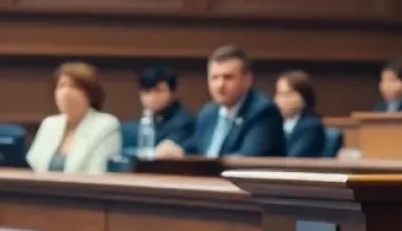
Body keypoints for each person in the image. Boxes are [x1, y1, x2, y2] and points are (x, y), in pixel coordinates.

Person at [156, 46, 286, 159]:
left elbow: (247, 158)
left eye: (227, 77)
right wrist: (177, 150)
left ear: (248, 79)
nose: (220, 85)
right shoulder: (208, 113)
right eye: (214, 78)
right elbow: (198, 147)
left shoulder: (263, 112)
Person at [28, 62, 121, 173]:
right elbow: (33, 167)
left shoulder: (106, 126)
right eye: (61, 86)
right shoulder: (49, 124)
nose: (65, 93)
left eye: (74, 87)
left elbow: (97, 173)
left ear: (90, 94)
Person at [133, 65, 196, 149]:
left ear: (173, 92)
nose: (152, 97)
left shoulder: (183, 123)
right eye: (147, 91)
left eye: (158, 91)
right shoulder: (144, 121)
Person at [274, 70, 327, 157]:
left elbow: (293, 159)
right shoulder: (272, 124)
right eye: (279, 94)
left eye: (287, 94)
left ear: (303, 98)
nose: (280, 100)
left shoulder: (311, 127)